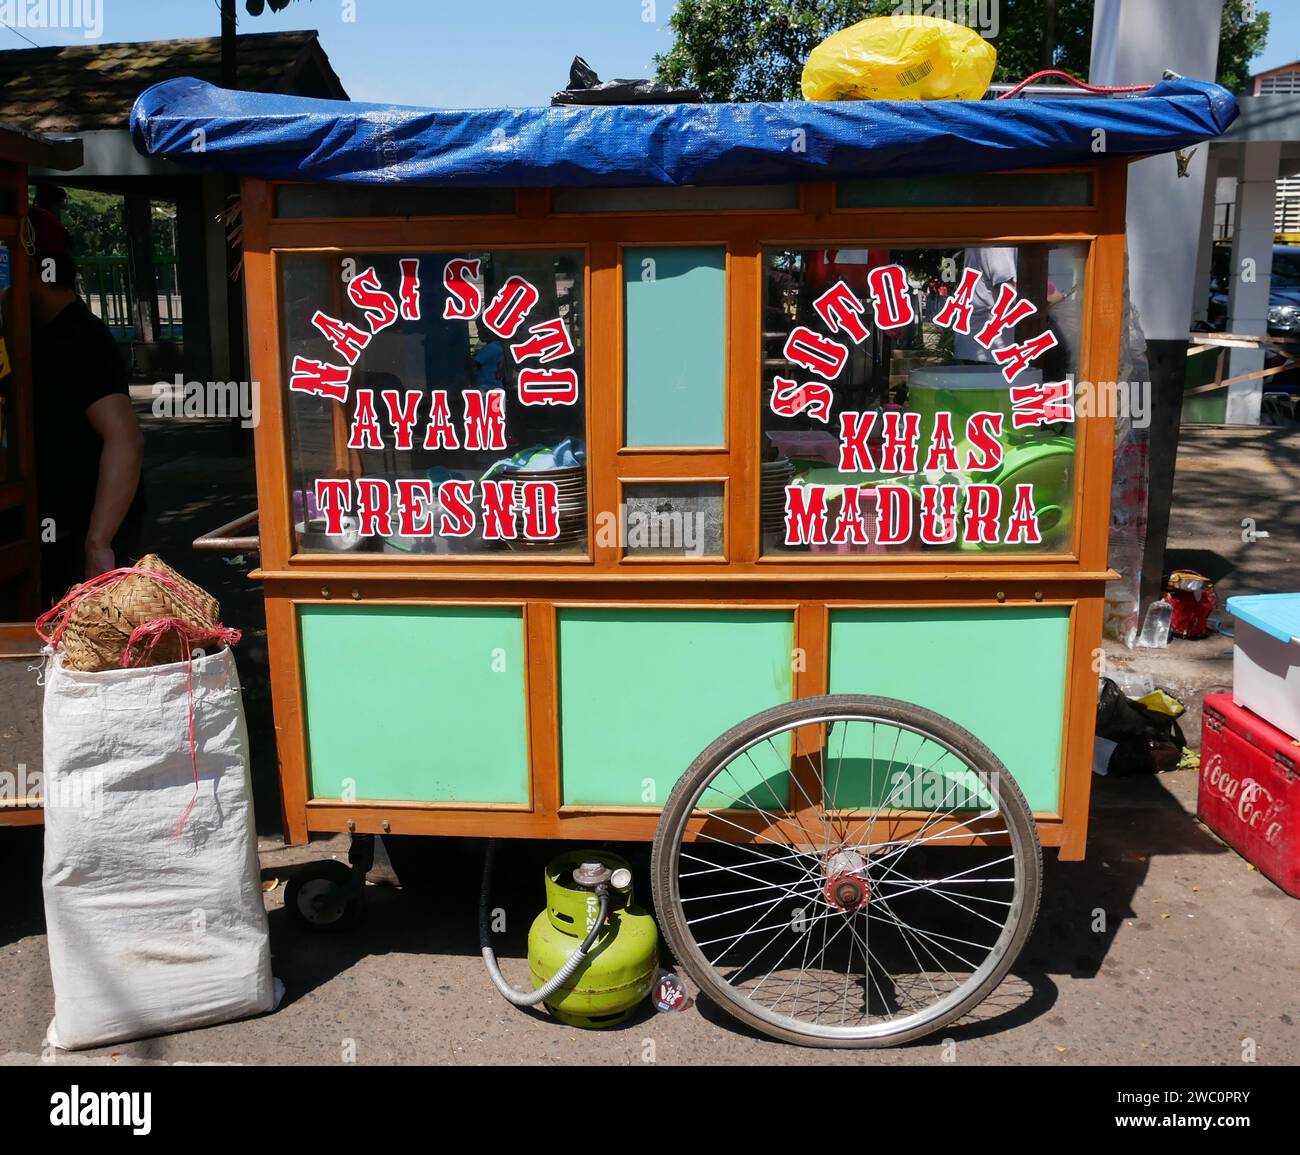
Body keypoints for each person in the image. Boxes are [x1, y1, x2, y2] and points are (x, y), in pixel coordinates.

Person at [26, 205, 144, 603]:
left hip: (74, 536)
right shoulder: (39, 336)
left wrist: (98, 541)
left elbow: (124, 439)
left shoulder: (78, 341)